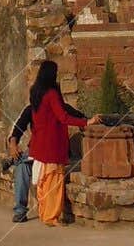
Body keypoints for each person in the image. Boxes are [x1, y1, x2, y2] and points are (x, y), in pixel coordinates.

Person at [7, 83, 88, 225]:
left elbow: (82, 119)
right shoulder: (31, 110)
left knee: (22, 162)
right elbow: (17, 130)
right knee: (22, 168)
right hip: (37, 155)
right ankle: (20, 211)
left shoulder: (63, 110)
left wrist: (88, 124)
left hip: (55, 156)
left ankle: (14, 161)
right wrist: (13, 144)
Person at [27, 60, 91, 227]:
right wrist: (86, 123)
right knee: (54, 181)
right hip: (52, 143)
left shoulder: (35, 92)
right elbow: (62, 117)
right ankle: (51, 216)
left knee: (43, 180)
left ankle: (44, 213)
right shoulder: (51, 94)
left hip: (39, 141)